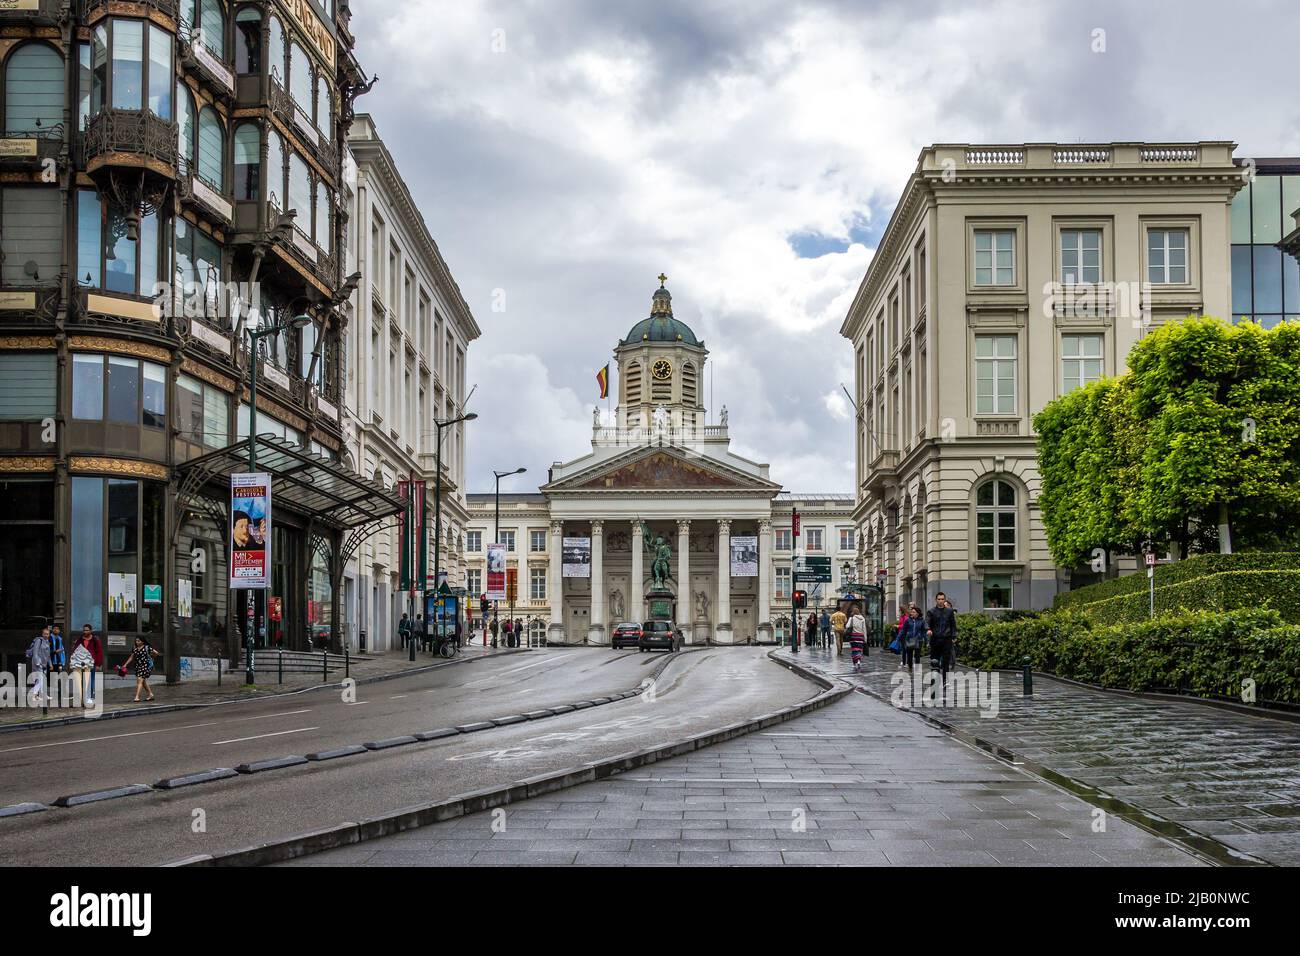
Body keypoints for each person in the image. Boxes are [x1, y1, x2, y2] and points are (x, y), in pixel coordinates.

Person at [925, 592, 958, 699]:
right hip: (935, 640)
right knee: (934, 661)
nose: (940, 601)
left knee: (945, 662)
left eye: (942, 599)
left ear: (945, 600)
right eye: (939, 599)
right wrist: (928, 629)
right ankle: (935, 681)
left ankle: (945, 681)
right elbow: (927, 622)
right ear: (936, 600)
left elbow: (953, 625)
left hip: (946, 639)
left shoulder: (949, 612)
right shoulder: (931, 611)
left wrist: (953, 636)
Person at [121, 636, 160, 702]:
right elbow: (131, 657)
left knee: (139, 680)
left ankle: (137, 697)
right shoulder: (135, 648)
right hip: (138, 666)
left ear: (142, 641)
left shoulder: (147, 647)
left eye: (139, 641)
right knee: (143, 682)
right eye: (136, 641)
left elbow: (156, 653)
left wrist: (152, 657)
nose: (137, 642)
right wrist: (125, 664)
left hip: (145, 666)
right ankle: (150, 695)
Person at [76, 624, 104, 705]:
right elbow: (75, 650)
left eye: (87, 630)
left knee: (90, 681)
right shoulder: (80, 640)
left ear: (90, 631)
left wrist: (98, 664)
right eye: (84, 630)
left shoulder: (95, 640)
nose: (85, 631)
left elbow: (99, 652)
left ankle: (90, 697)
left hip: (91, 664)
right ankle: (83, 698)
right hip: (81, 664)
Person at [25, 626, 52, 705]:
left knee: (41, 680)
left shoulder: (47, 642)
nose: (46, 635)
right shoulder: (39, 641)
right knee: (40, 679)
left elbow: (48, 655)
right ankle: (33, 696)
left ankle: (39, 695)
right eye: (45, 634)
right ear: (42, 634)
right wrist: (37, 663)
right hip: (37, 663)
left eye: (47, 634)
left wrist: (50, 664)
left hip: (44, 664)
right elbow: (35, 652)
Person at [900, 603, 925, 674]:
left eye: (914, 612)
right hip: (909, 639)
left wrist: (926, 640)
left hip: (918, 639)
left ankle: (917, 670)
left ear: (917, 613)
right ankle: (910, 667)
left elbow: (923, 631)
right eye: (911, 612)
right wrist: (899, 638)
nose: (912, 613)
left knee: (917, 655)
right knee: (909, 655)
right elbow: (903, 630)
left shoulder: (922, 621)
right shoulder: (908, 620)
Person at [846, 604, 867, 672]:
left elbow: (847, 626)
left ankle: (854, 663)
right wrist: (865, 638)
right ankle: (859, 661)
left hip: (853, 636)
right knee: (859, 650)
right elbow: (864, 629)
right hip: (860, 636)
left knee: (854, 650)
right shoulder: (862, 619)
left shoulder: (852, 618)